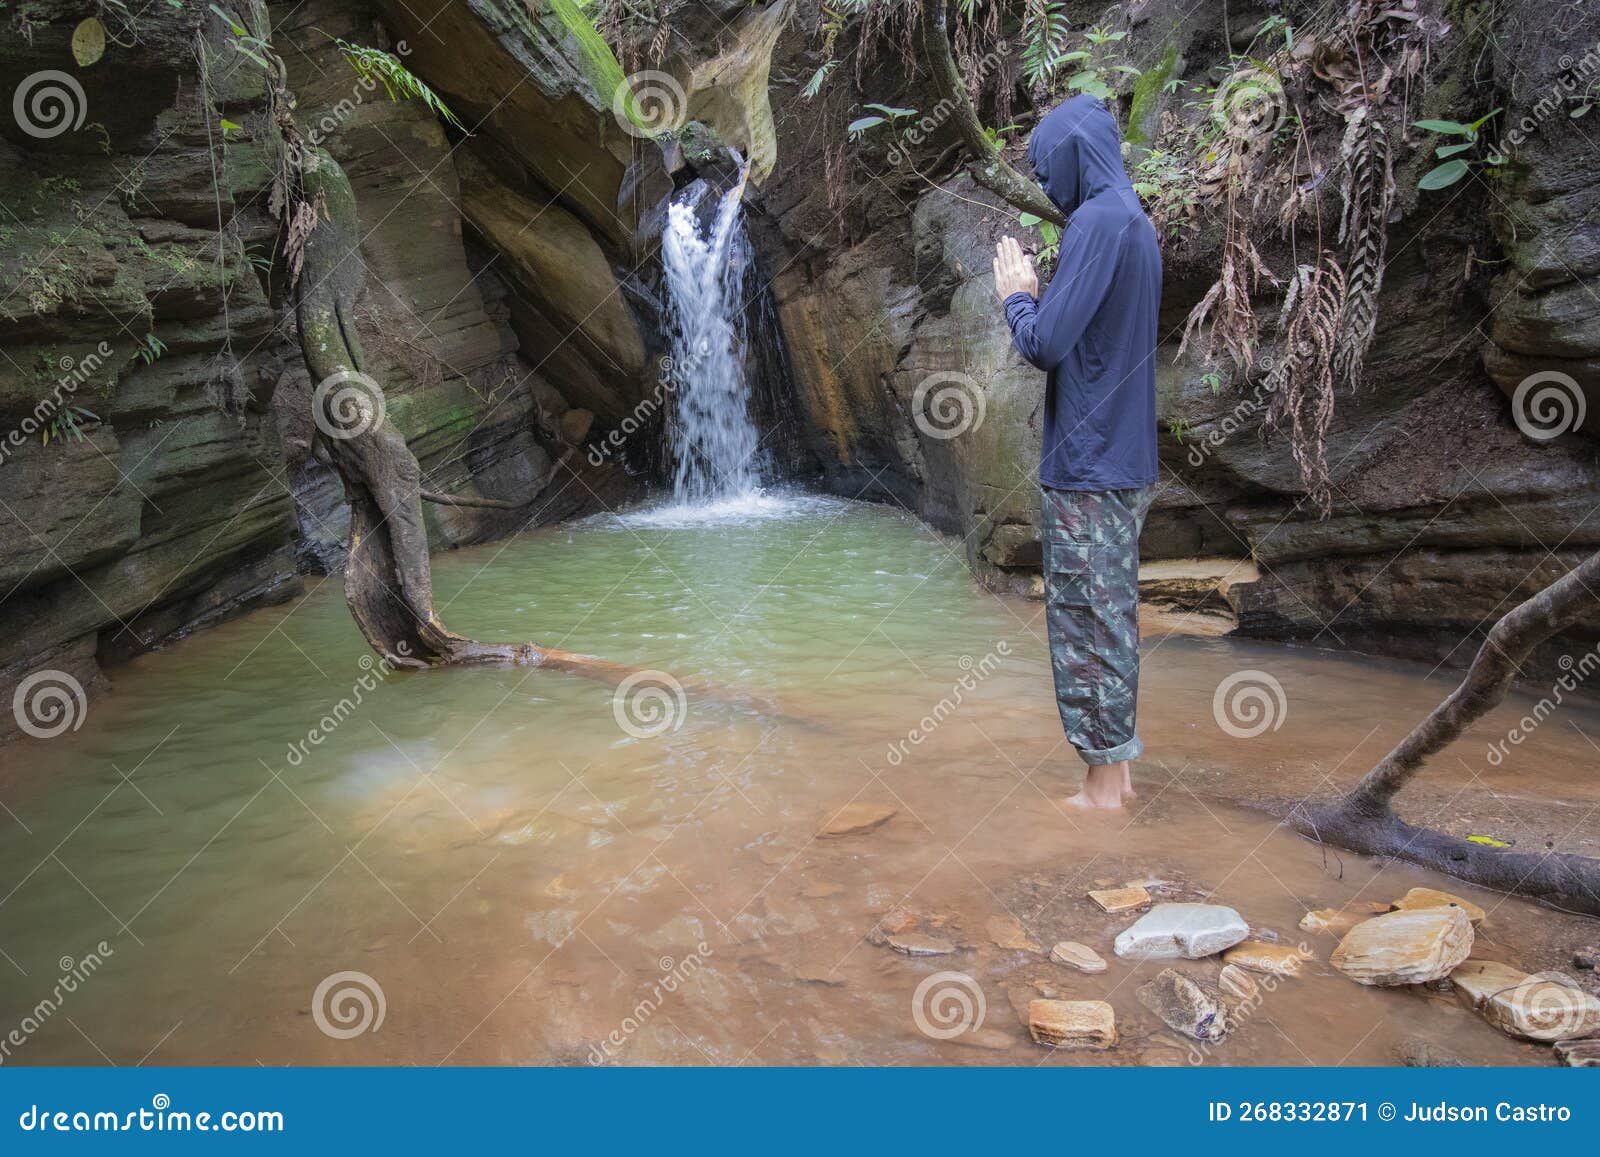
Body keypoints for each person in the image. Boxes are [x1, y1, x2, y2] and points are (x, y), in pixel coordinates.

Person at [992, 94, 1161, 810]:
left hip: (1090, 462)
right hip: (1120, 459)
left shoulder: (1097, 222)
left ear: (1071, 154)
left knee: (1085, 621)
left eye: (1045, 166)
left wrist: (1017, 296)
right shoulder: (1134, 222)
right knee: (1107, 614)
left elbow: (1046, 343)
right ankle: (1116, 777)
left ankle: (1100, 792)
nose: (1044, 184)